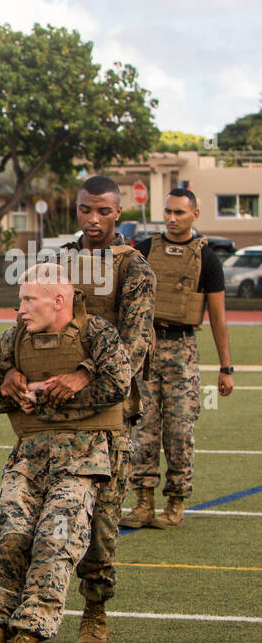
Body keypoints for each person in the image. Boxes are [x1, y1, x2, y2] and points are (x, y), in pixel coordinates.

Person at [0, 175, 154, 643]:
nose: (93, 219)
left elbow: (136, 344)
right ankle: (18, 617)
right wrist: (10, 372)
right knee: (31, 521)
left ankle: (95, 608)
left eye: (104, 211)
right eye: (86, 209)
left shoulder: (135, 269)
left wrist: (86, 373)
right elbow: (23, 325)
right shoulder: (55, 264)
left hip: (107, 417)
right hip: (47, 418)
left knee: (102, 522)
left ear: (118, 214)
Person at [0, 264, 132, 643]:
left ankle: (29, 639)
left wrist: (77, 380)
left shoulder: (97, 334)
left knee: (56, 541)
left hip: (85, 459)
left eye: (28, 300)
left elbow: (120, 385)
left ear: (58, 301)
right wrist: (6, 383)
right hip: (29, 458)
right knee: (10, 538)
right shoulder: (15, 338)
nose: (19, 308)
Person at [120, 187, 234, 529]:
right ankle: (142, 502)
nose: (172, 218)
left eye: (180, 213)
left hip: (183, 351)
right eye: (168, 211)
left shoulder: (208, 259)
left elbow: (218, 317)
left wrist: (226, 368)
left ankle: (175, 503)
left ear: (194, 215)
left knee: (180, 431)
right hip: (146, 350)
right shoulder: (143, 250)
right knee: (143, 429)